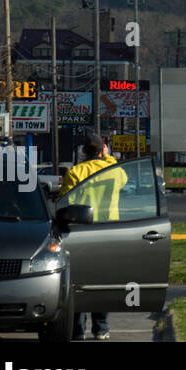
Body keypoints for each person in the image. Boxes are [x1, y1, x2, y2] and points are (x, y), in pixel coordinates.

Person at [59, 131, 127, 340]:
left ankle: (78, 330)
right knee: (102, 282)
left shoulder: (75, 173)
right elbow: (123, 178)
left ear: (83, 151)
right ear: (102, 150)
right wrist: (108, 157)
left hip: (82, 233)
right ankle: (101, 328)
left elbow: (64, 201)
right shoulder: (114, 171)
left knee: (78, 284)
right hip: (108, 233)